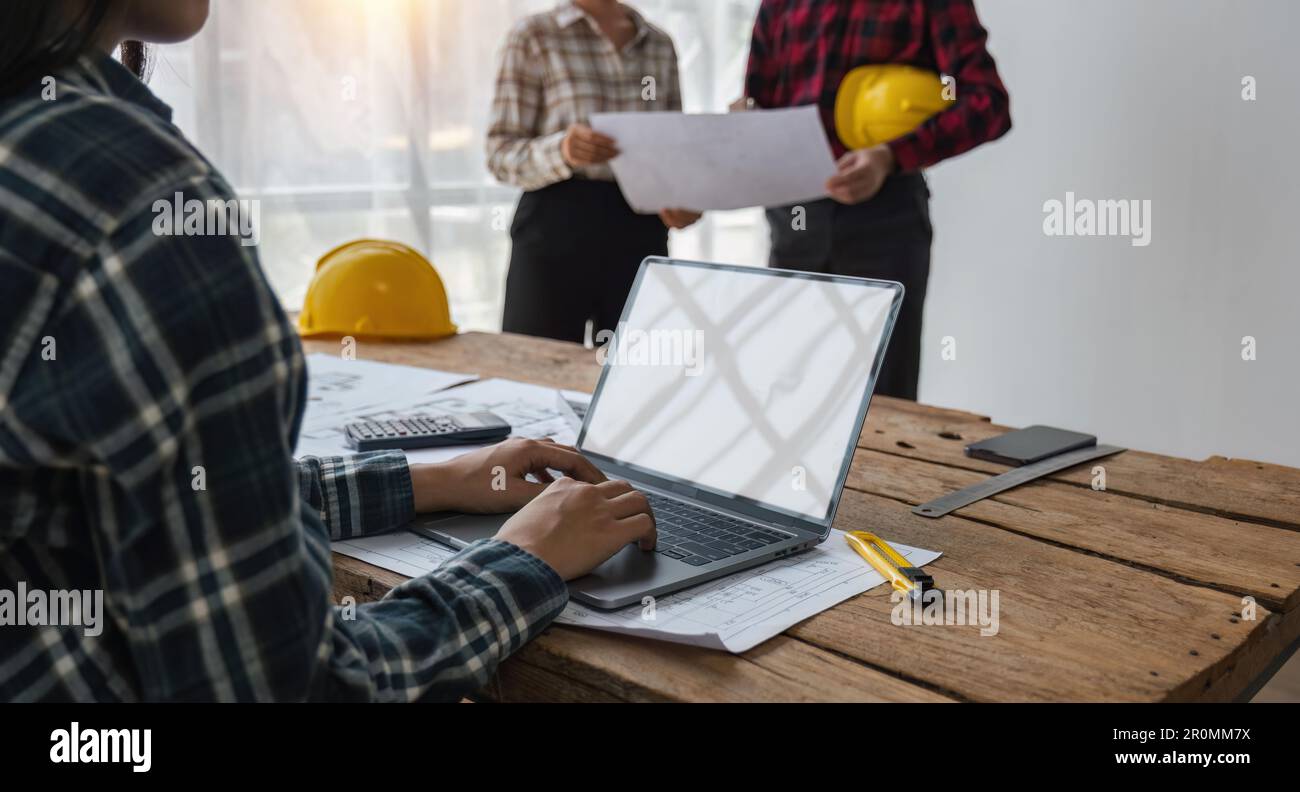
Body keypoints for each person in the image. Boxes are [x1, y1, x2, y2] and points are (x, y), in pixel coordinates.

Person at [0, 0, 654, 702]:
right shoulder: (137, 203)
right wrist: (526, 560)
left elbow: (164, 507)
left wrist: (432, 481)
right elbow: (298, 687)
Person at [743, 0, 1011, 400]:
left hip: (884, 220)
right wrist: (744, 120)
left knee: (882, 408)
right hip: (794, 219)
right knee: (786, 400)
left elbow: (987, 104)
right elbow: (756, 102)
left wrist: (891, 155)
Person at [487, 0, 700, 345]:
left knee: (635, 374)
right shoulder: (533, 36)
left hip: (640, 227)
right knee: (536, 372)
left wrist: (682, 197)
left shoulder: (659, 44)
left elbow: (670, 149)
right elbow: (499, 154)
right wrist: (563, 150)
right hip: (555, 221)